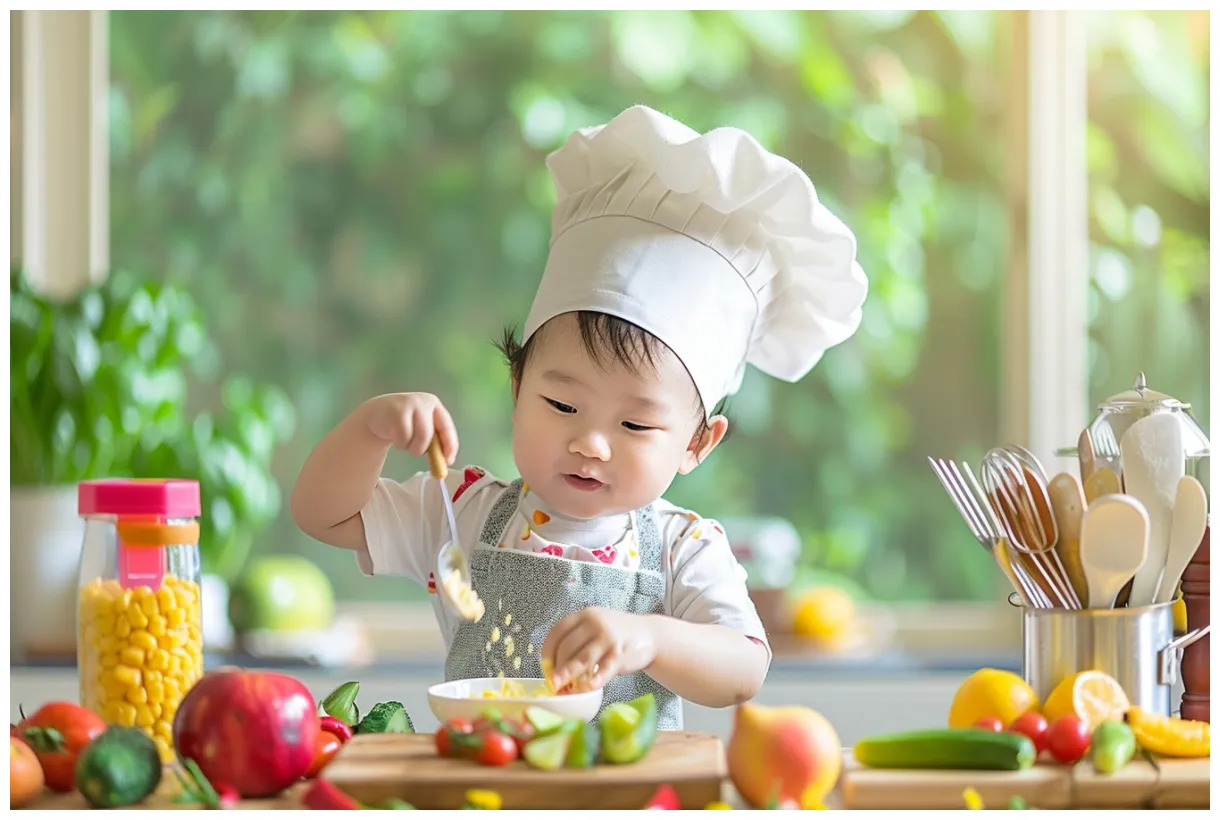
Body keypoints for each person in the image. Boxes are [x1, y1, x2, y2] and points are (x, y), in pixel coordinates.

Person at [291, 105, 869, 729]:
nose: (591, 443)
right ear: (517, 388)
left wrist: (649, 638)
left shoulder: (683, 548)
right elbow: (324, 514)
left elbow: (744, 669)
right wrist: (369, 430)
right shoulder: (463, 511)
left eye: (636, 425)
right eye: (563, 405)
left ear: (697, 444)